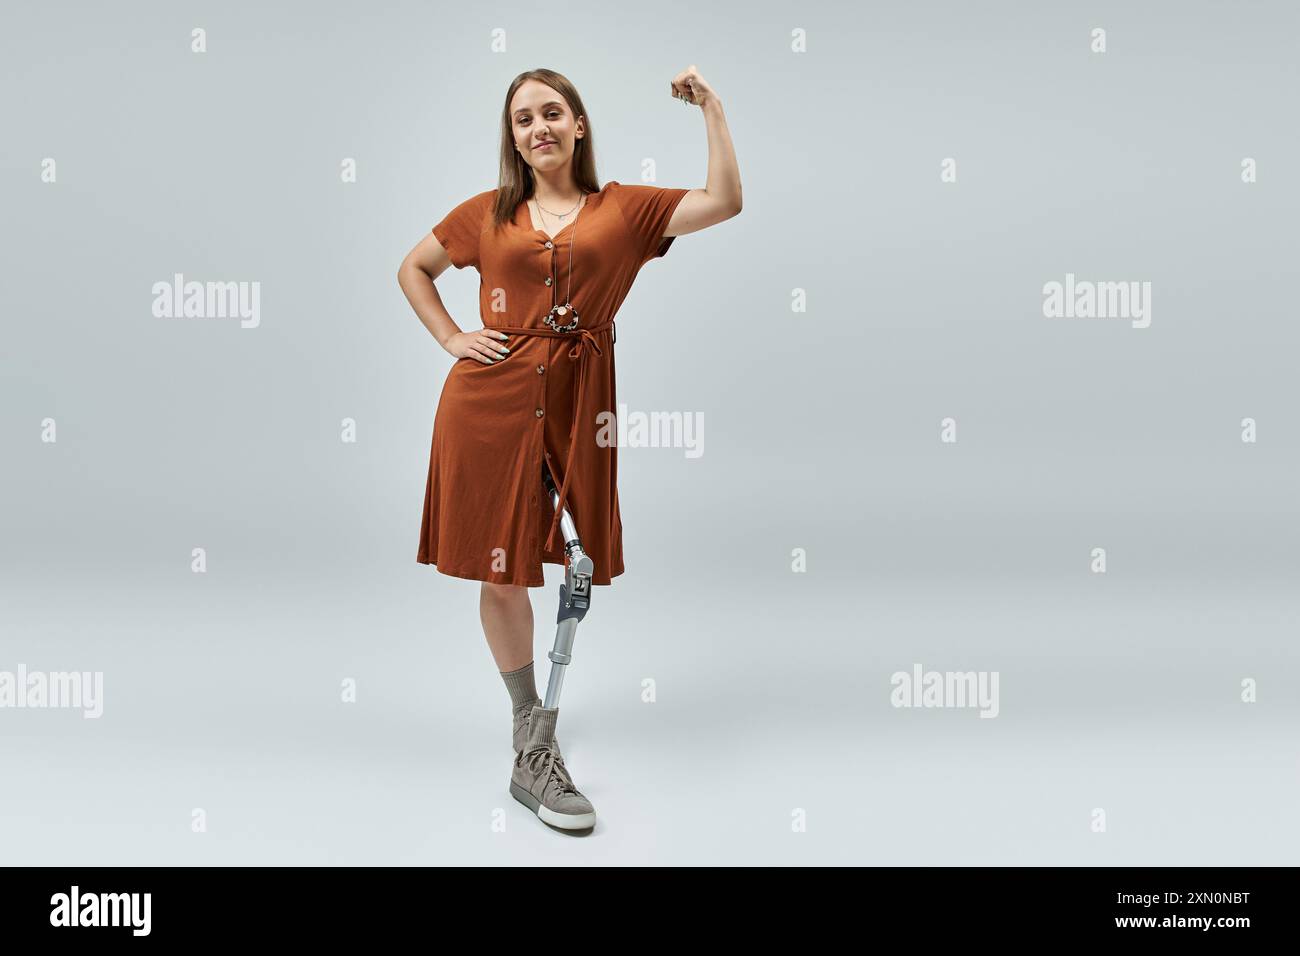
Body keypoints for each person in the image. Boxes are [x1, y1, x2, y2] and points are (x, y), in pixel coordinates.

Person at [397, 66, 742, 831]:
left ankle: (536, 729)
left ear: (578, 124)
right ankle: (532, 733)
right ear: (512, 138)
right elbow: (412, 268)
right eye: (522, 120)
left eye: (551, 113)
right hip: (486, 403)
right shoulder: (486, 214)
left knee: (576, 560)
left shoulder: (624, 209)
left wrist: (712, 110)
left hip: (579, 402)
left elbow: (724, 201)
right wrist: (453, 336)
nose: (538, 128)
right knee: (504, 560)